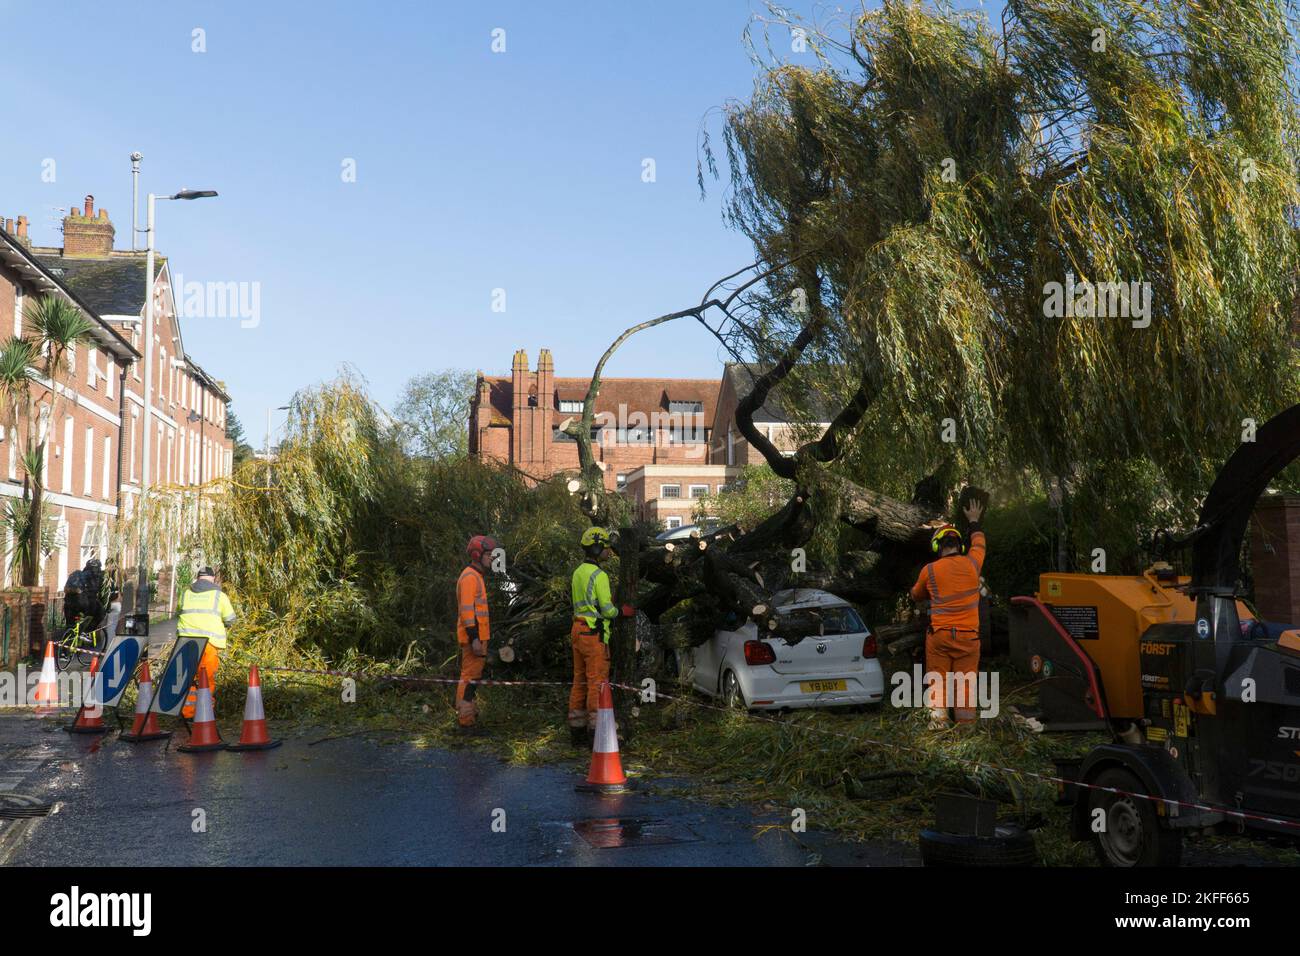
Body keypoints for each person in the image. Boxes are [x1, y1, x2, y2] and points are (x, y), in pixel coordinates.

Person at [910, 497, 987, 727]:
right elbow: (980, 543)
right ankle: (966, 729)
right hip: (969, 638)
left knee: (938, 682)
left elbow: (916, 595)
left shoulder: (929, 570)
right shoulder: (973, 564)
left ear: (937, 547)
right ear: (959, 546)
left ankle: (939, 727)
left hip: (940, 637)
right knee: (965, 684)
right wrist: (973, 520)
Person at [568, 527, 634, 745]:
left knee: (579, 680)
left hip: (577, 630)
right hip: (594, 634)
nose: (608, 551)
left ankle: (576, 729)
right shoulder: (600, 575)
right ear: (597, 548)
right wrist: (621, 612)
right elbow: (607, 609)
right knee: (597, 682)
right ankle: (595, 732)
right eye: (605, 547)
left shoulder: (578, 572)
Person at [178, 567, 236, 719]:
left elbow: (180, 611)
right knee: (206, 678)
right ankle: (205, 714)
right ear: (213, 579)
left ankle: (187, 713)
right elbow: (230, 619)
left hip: (186, 642)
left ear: (198, 578)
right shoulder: (219, 596)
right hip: (208, 644)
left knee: (188, 677)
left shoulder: (186, 593)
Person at [455, 535, 499, 732]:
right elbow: (467, 611)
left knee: (473, 678)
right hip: (474, 637)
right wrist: (474, 638)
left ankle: (468, 715)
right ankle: (465, 721)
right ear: (477, 555)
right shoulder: (470, 577)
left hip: (479, 637)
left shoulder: (476, 576)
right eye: (488, 554)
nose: (492, 558)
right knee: (469, 677)